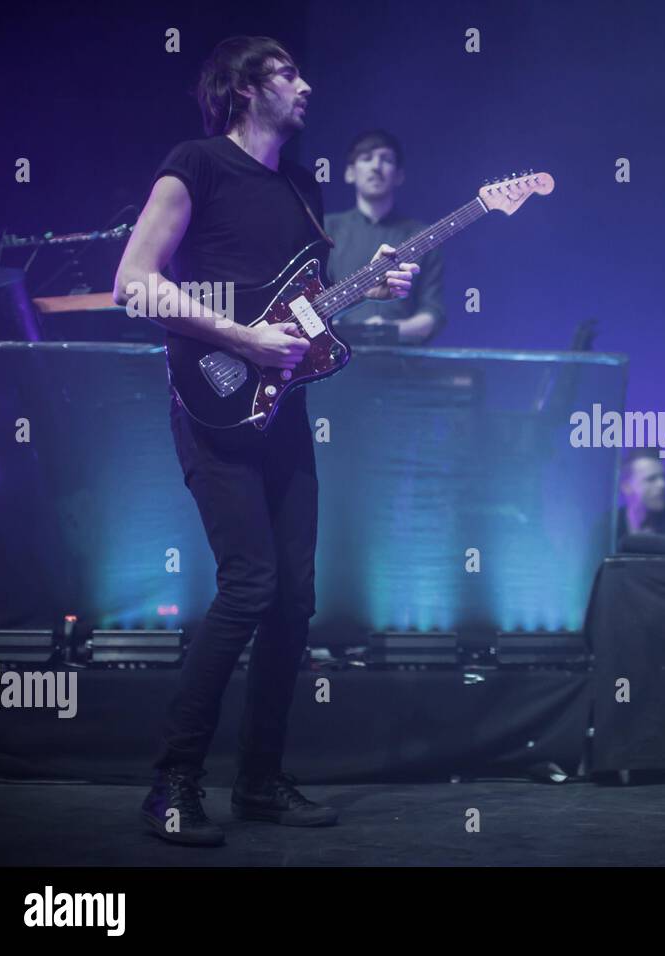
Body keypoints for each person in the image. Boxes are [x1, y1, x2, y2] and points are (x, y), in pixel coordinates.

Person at [113, 35, 419, 846]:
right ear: (246, 88)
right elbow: (133, 284)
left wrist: (377, 282)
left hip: (279, 411)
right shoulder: (198, 162)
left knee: (294, 598)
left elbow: (307, 312)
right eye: (288, 72)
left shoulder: (302, 189)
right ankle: (171, 783)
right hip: (210, 403)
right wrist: (241, 340)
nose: (306, 85)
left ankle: (259, 779)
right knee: (249, 585)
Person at [324, 129, 445, 343]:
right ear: (350, 173)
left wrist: (389, 331)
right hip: (335, 361)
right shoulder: (326, 228)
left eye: (386, 160)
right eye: (366, 158)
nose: (376, 166)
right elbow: (309, 299)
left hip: (399, 365)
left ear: (399, 175)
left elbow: (432, 312)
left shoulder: (422, 235)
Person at [614, 448, 665, 543]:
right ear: (626, 486)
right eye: (651, 479)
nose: (662, 485)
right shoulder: (609, 527)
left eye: (663, 477)